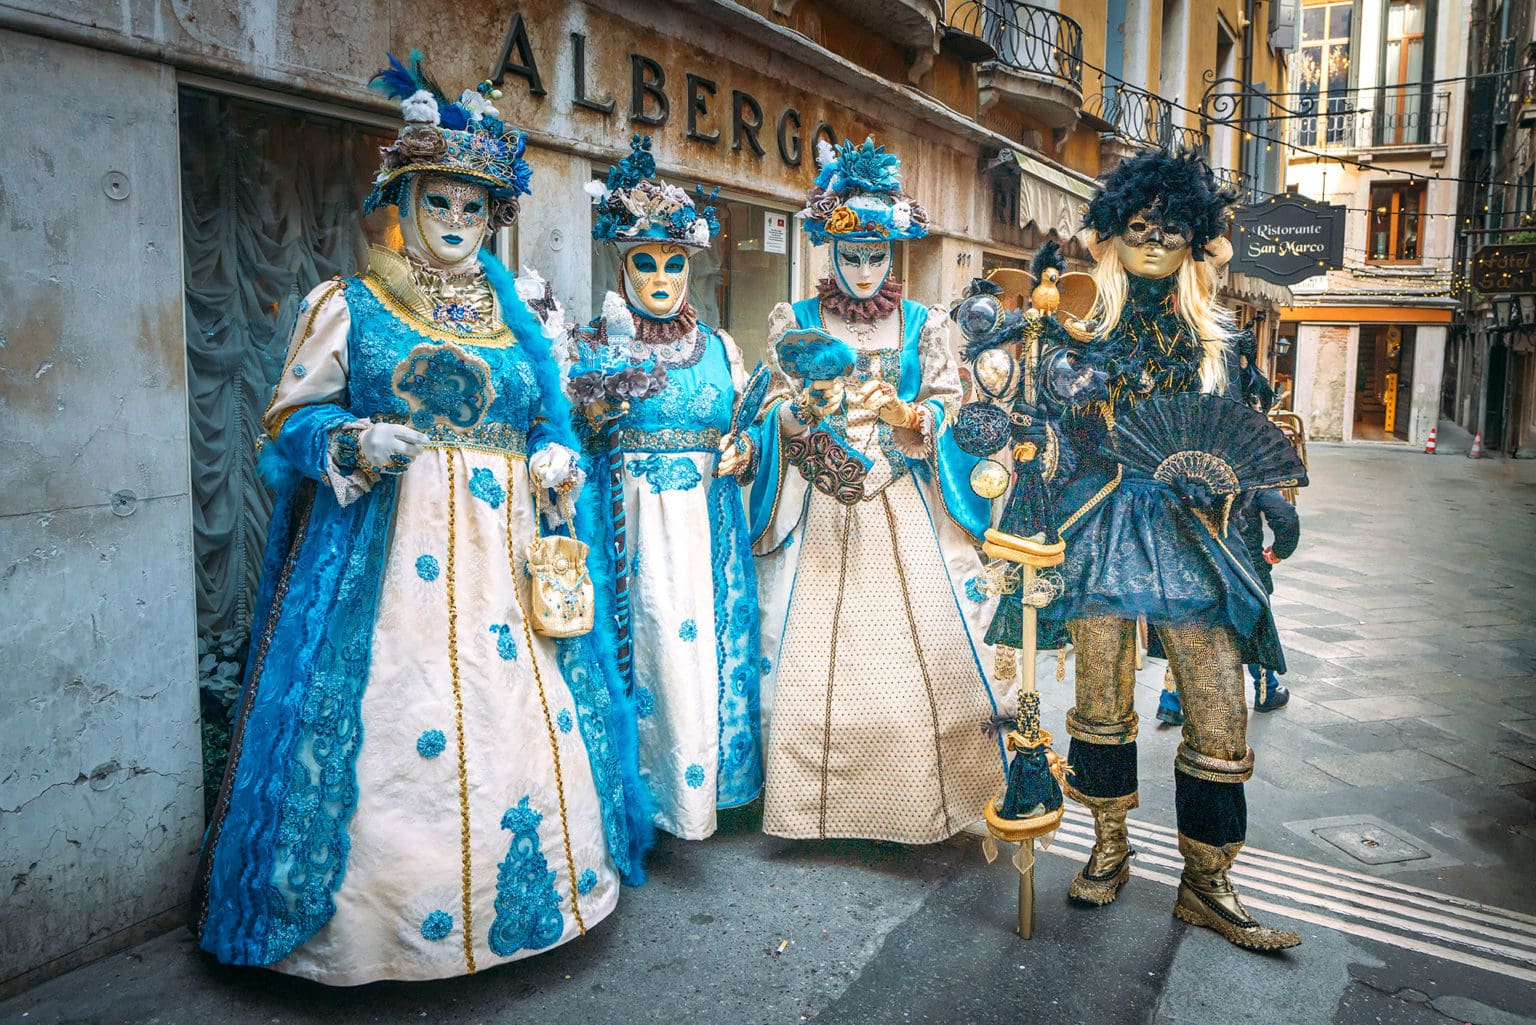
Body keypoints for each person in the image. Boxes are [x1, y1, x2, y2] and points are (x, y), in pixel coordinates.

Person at [194, 54, 650, 984]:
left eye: (471, 209)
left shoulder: (520, 317)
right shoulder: (349, 305)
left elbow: (542, 423)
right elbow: (286, 423)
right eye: (438, 203)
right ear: (403, 202)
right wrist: (355, 440)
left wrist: (553, 462)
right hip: (386, 558)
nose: (454, 224)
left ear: (493, 218)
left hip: (504, 563)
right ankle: (379, 935)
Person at [1038, 150, 1300, 950]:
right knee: (1103, 701)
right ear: (1113, 236)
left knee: (1220, 706)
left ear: (1195, 242)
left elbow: (1249, 432)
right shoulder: (1078, 325)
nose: (1155, 242)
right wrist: (1058, 379)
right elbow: (1046, 420)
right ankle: (1108, 845)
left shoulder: (1219, 339)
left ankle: (1207, 880)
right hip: (1105, 525)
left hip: (1197, 533)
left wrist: (1263, 500)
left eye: (1172, 229)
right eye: (1139, 227)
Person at [720, 137, 1006, 844]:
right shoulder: (797, 320)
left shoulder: (924, 325)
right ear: (829, 252)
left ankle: (916, 803)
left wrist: (907, 415)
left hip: (901, 498)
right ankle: (814, 807)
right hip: (820, 501)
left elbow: (947, 403)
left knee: (917, 652)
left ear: (893, 255)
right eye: (850, 256)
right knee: (809, 651)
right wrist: (796, 416)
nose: (863, 267)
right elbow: (766, 411)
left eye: (876, 255)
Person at [574, 135, 763, 840]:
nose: (658, 277)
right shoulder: (594, 345)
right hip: (629, 535)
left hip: (706, 533)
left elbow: (749, 423)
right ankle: (640, 803)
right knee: (645, 652)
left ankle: (702, 796)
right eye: (643, 263)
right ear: (623, 266)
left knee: (701, 653)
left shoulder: (719, 348)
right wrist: (590, 420)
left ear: (690, 266)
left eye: (672, 262)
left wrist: (745, 448)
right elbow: (567, 440)